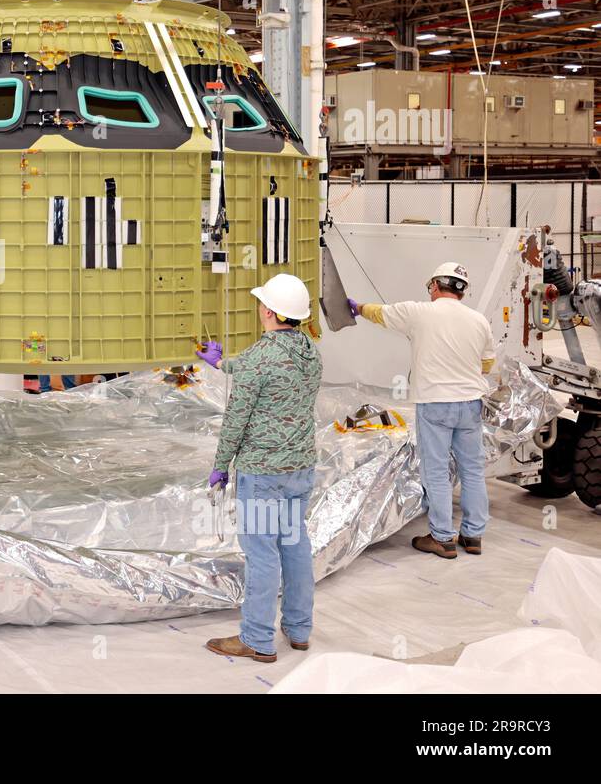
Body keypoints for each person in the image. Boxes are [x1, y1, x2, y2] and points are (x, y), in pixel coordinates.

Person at [196, 273, 322, 663]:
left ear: (268, 311)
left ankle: (257, 639)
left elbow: (237, 418)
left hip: (263, 474)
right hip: (299, 469)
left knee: (263, 554)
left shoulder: (258, 358)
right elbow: (269, 377)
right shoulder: (311, 351)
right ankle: (299, 630)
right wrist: (224, 365)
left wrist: (221, 466)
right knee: (295, 545)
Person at [349, 262, 495, 560]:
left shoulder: (418, 312)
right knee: (473, 470)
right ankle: (473, 534)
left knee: (437, 471)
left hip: (436, 403)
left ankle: (442, 538)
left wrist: (357, 307)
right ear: (462, 291)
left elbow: (380, 312)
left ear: (434, 286)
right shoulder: (479, 320)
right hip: (470, 404)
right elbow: (487, 364)